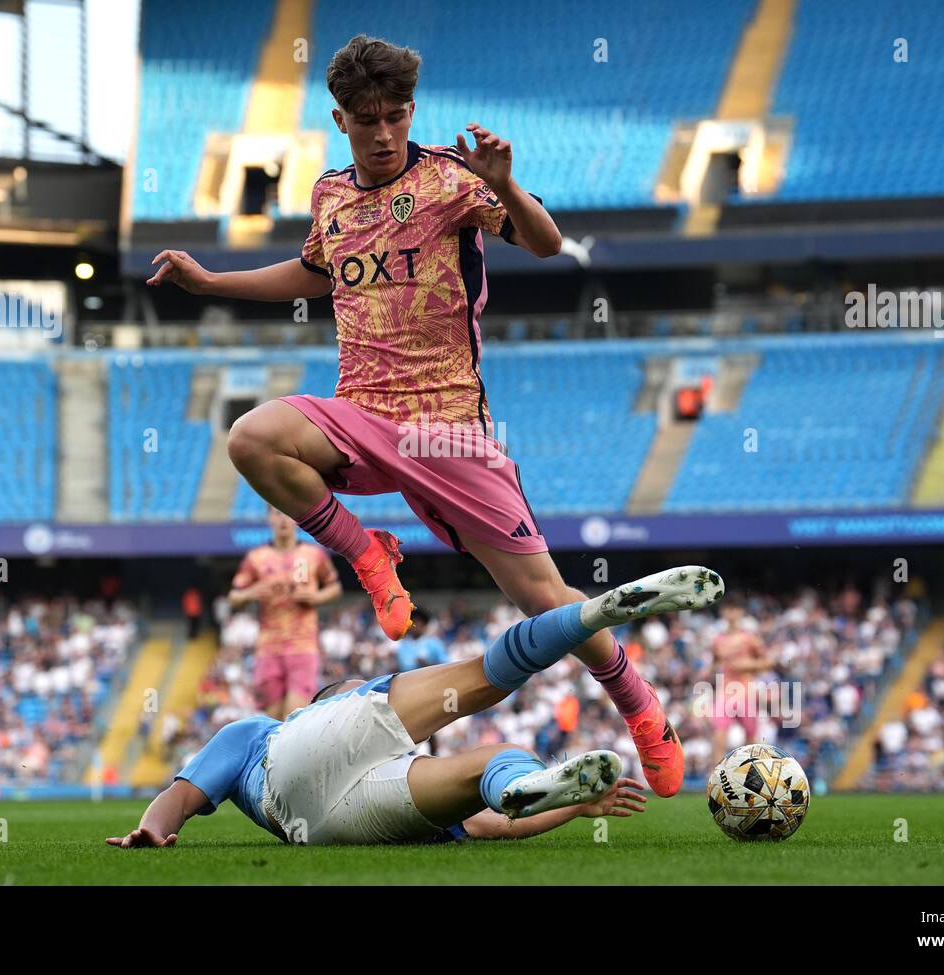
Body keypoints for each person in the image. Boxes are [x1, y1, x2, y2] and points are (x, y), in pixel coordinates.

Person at [146, 34, 690, 798]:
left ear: (410, 112)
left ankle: (639, 705)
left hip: (447, 427)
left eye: (395, 115)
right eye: (365, 118)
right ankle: (369, 555)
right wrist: (212, 284)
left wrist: (509, 183)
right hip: (361, 412)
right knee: (252, 437)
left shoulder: (451, 180)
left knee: (545, 598)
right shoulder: (330, 194)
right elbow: (311, 272)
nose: (381, 132)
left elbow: (545, 243)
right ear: (340, 119)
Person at [107, 564, 723, 847]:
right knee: (482, 679)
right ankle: (589, 615)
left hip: (324, 827)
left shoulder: (246, 739)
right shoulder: (265, 728)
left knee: (495, 768)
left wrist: (573, 806)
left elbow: (491, 821)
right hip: (314, 773)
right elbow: (181, 795)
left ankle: (529, 778)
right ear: (326, 700)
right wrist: (158, 822)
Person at [228, 508, 342, 720]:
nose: (283, 518)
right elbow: (234, 596)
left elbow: (334, 588)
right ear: (269, 518)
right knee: (270, 720)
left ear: (296, 519)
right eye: (277, 513)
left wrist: (315, 597)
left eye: (287, 512)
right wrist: (252, 592)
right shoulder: (256, 558)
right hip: (268, 648)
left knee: (294, 716)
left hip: (303, 645)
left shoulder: (313, 554)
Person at [710, 604, 774, 761]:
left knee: (751, 739)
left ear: (741, 611)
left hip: (746, 692)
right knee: (719, 736)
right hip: (725, 692)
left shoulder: (750, 638)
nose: (731, 612)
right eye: (728, 608)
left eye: (734, 608)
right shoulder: (718, 640)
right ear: (723, 612)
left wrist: (748, 665)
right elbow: (715, 663)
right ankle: (716, 778)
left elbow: (768, 662)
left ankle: (750, 777)